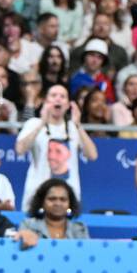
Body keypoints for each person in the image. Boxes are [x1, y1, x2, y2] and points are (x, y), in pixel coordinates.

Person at [14, 83, 97, 212]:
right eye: (53, 96)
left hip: (68, 194)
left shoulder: (73, 127)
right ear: (45, 101)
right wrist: (42, 123)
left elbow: (92, 155)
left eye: (62, 96)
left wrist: (78, 125)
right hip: (38, 192)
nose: (58, 99)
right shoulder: (33, 123)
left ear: (68, 104)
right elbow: (20, 149)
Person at [17, 178, 90, 247]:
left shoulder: (79, 229)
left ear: (70, 204)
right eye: (52, 199)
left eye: (63, 199)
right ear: (41, 202)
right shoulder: (28, 225)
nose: (58, 203)